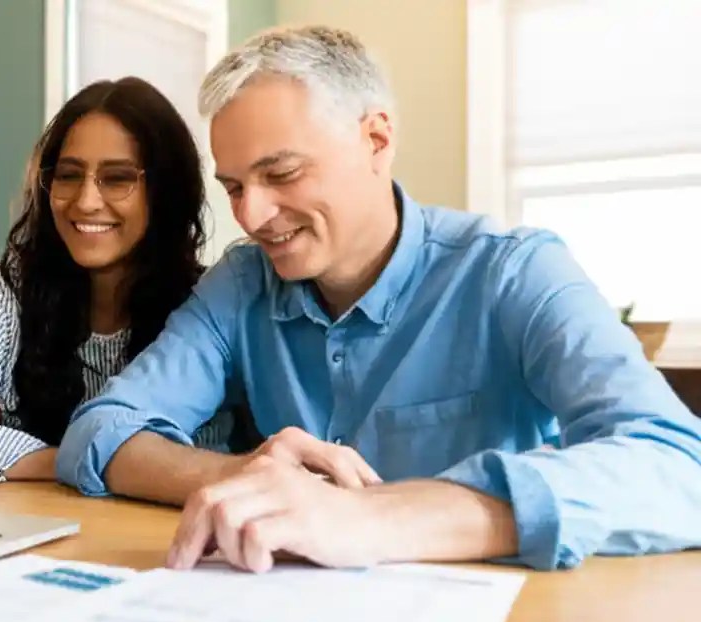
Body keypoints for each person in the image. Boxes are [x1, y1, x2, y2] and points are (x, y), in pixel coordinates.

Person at [56, 26, 701, 571]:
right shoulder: (241, 285)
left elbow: (680, 467)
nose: (252, 214)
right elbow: (99, 430)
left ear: (376, 140)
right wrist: (246, 479)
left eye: (281, 174)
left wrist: (375, 518)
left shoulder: (515, 272)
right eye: (234, 185)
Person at [0, 77, 235, 483]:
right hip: (25, 532)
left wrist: (6, 447)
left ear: (166, 190)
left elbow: (203, 457)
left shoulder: (209, 307)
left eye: (117, 178)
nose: (86, 201)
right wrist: (106, 461)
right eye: (68, 175)